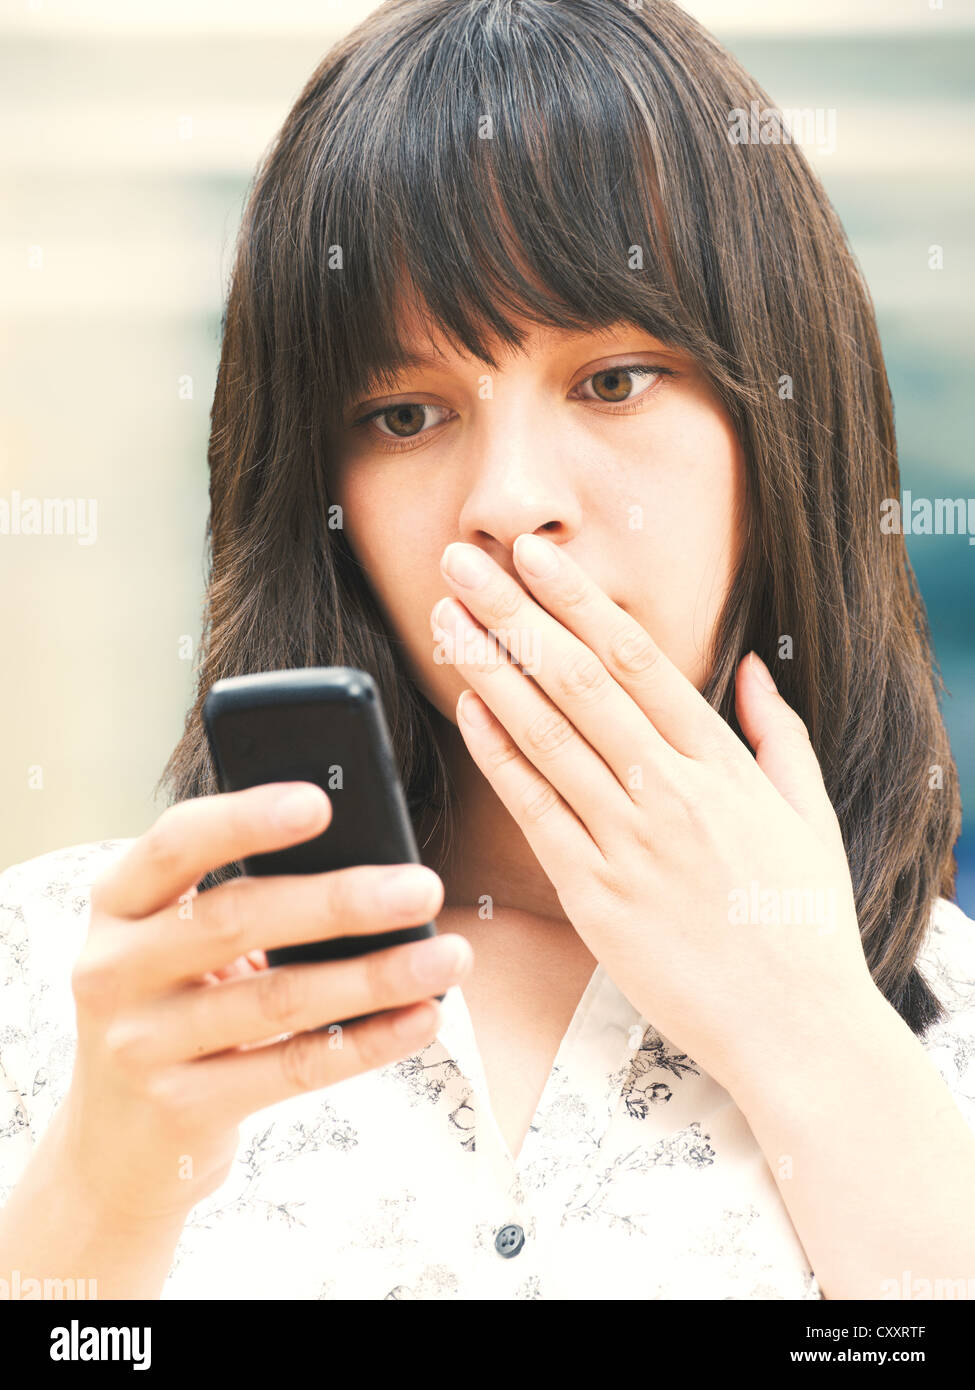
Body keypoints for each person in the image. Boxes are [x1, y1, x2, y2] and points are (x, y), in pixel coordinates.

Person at [2, 0, 974, 1302]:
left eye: (613, 379)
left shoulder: (947, 1014)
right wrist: (101, 1183)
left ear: (784, 436)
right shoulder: (64, 975)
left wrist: (807, 1029)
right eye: (407, 413)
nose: (508, 498)